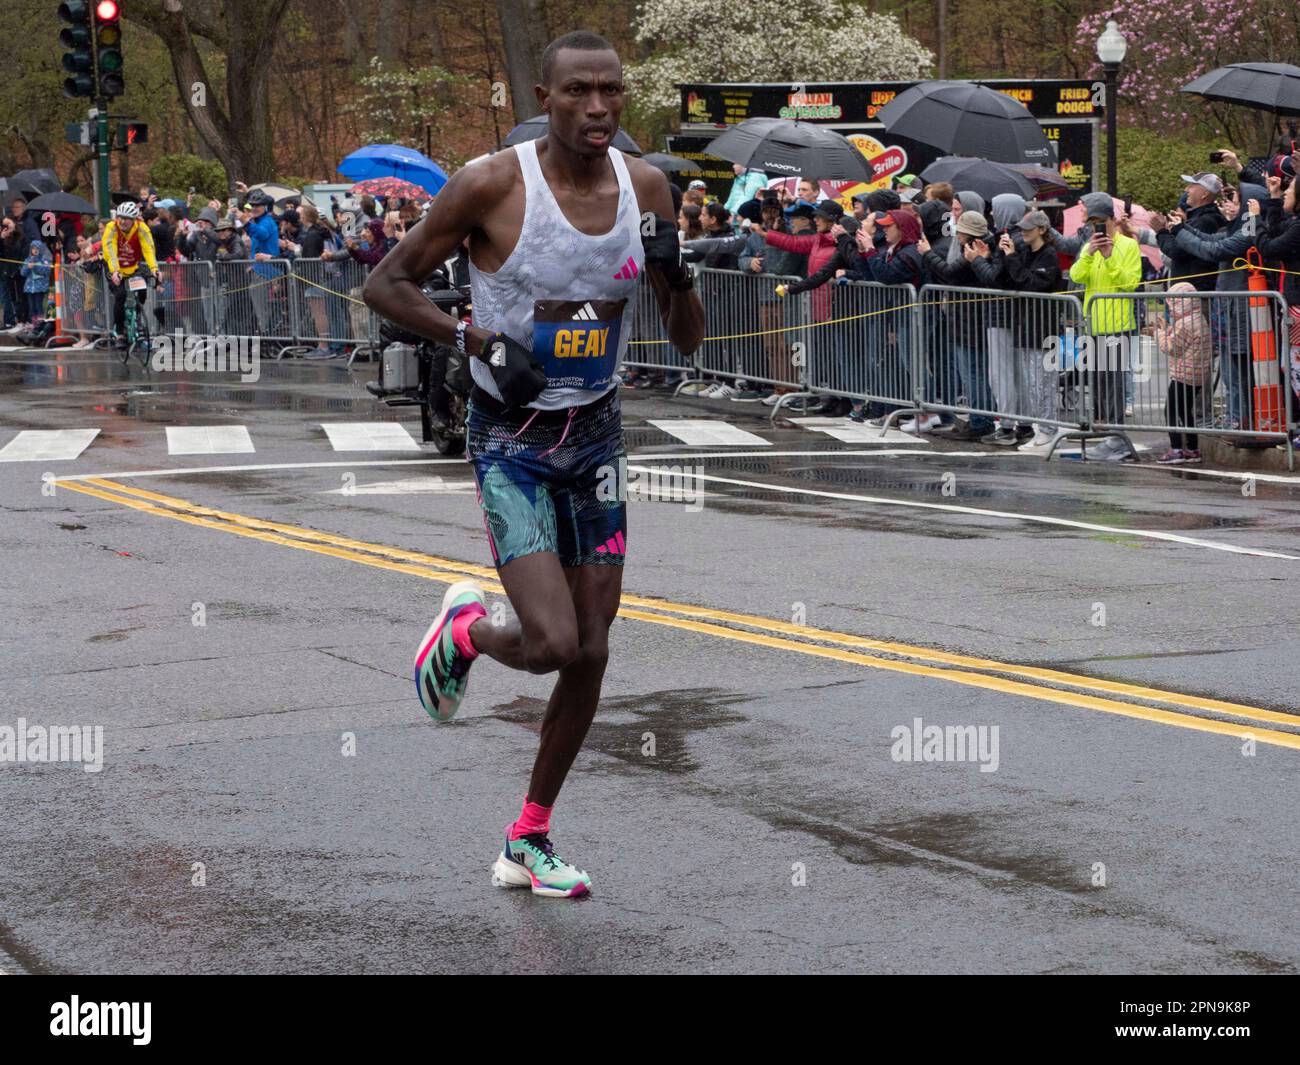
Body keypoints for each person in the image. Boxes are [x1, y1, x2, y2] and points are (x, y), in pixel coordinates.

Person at [363, 30, 705, 899]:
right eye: (579, 93)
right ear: (545, 98)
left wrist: (679, 276)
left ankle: (529, 835)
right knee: (550, 641)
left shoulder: (651, 188)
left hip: (596, 438)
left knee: (591, 651)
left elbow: (686, 338)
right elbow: (388, 285)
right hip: (511, 442)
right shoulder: (493, 184)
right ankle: (467, 633)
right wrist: (471, 336)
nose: (597, 108)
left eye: (612, 92)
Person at [1068, 191, 1143, 460]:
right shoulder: (1089, 244)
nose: (1095, 228)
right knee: (1098, 385)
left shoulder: (1129, 246)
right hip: (1092, 326)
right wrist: (1089, 254)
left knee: (1114, 387)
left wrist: (1110, 257)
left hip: (1117, 325)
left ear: (1111, 219)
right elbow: (1077, 275)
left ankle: (1118, 438)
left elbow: (1130, 283)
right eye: (1091, 223)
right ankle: (1108, 434)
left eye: (1099, 222)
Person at [1148, 282, 1213, 464]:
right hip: (1197, 374)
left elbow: (1171, 347)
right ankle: (1192, 448)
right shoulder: (1197, 318)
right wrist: (1168, 328)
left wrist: (1159, 333)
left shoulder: (1185, 323)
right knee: (1185, 411)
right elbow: (1183, 339)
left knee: (1171, 410)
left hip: (1184, 374)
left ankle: (1176, 449)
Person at [1147, 173, 1225, 290]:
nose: (1186, 189)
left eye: (1192, 185)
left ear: (1204, 194)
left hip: (1194, 293)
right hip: (1189, 292)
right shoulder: (1199, 218)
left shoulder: (1206, 220)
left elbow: (1178, 251)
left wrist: (1161, 231)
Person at [102, 201, 158, 343]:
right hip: (114, 268)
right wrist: (115, 271)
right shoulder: (112, 227)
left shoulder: (142, 228)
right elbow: (110, 250)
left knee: (142, 291)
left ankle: (137, 318)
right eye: (120, 217)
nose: (122, 221)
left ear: (134, 220)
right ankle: (119, 331)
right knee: (120, 295)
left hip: (132, 268)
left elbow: (148, 249)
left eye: (126, 218)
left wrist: (154, 268)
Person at [19, 240, 52, 322]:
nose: (35, 250)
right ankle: (34, 324)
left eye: (37, 248)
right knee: (31, 307)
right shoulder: (28, 260)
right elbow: (23, 273)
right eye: (33, 248)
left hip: (40, 288)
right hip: (30, 288)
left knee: (38, 306)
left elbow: (46, 271)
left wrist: (35, 266)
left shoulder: (45, 260)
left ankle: (40, 323)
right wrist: (28, 267)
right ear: (31, 249)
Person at [0, 216, 24, 328]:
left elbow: (18, 252)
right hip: (4, 272)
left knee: (16, 297)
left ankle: (19, 319)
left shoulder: (19, 236)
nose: (7, 226)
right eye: (4, 225)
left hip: (16, 271)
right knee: (6, 297)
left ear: (14, 223)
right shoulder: (4, 238)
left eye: (8, 223)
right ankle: (8, 320)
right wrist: (1, 238)